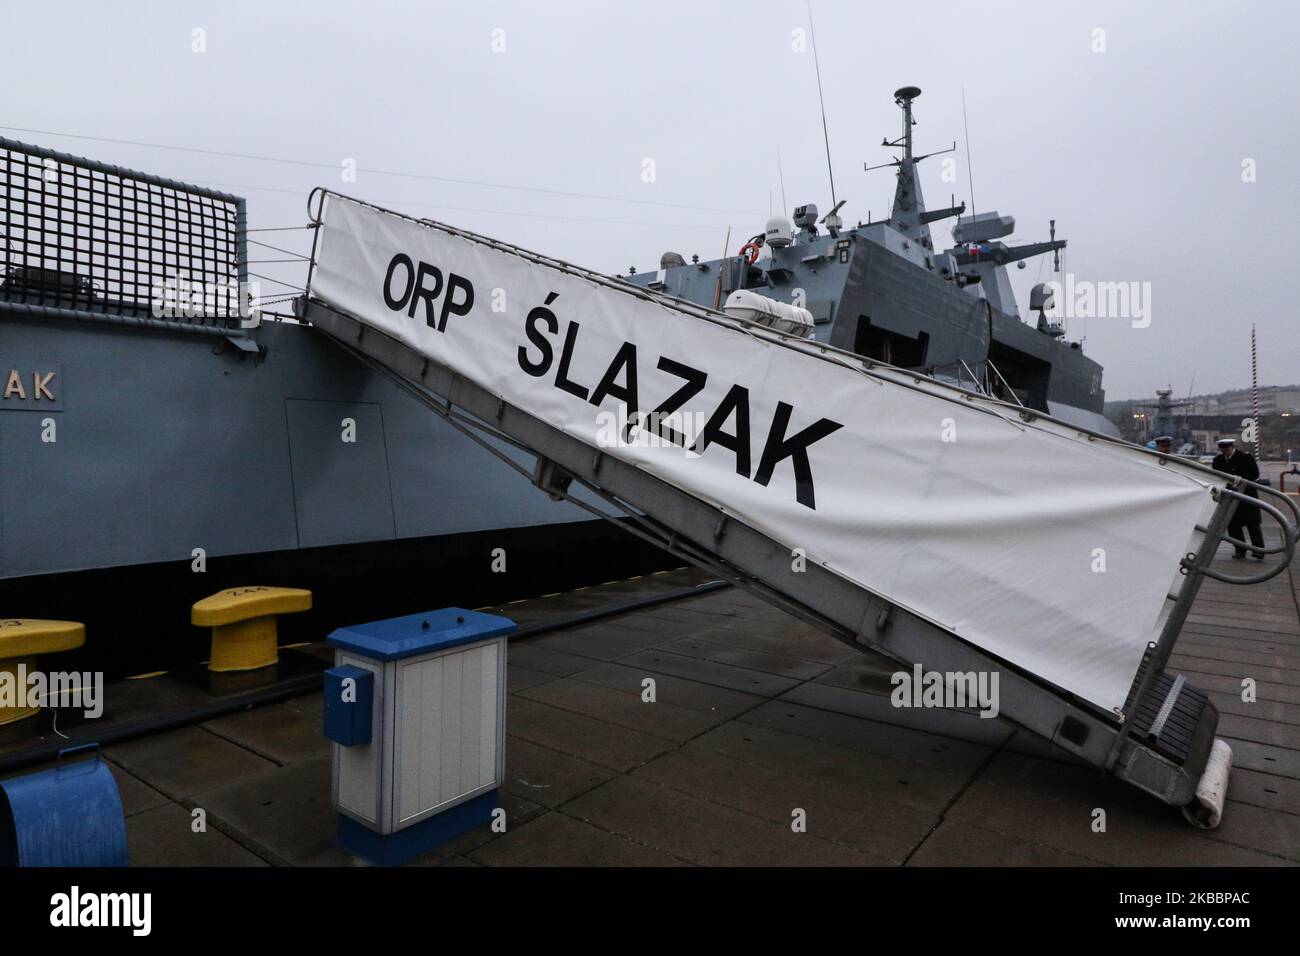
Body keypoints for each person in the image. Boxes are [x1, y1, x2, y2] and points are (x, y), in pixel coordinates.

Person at [1212, 437, 1264, 559]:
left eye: (1227, 449)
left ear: (1232, 447)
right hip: (1229, 496)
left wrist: (1237, 480)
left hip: (1247, 496)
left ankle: (1258, 550)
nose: (1225, 452)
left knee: (1253, 524)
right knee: (1233, 525)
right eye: (1223, 450)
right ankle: (1240, 550)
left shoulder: (1245, 458)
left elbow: (1254, 473)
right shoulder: (1218, 460)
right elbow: (1215, 476)